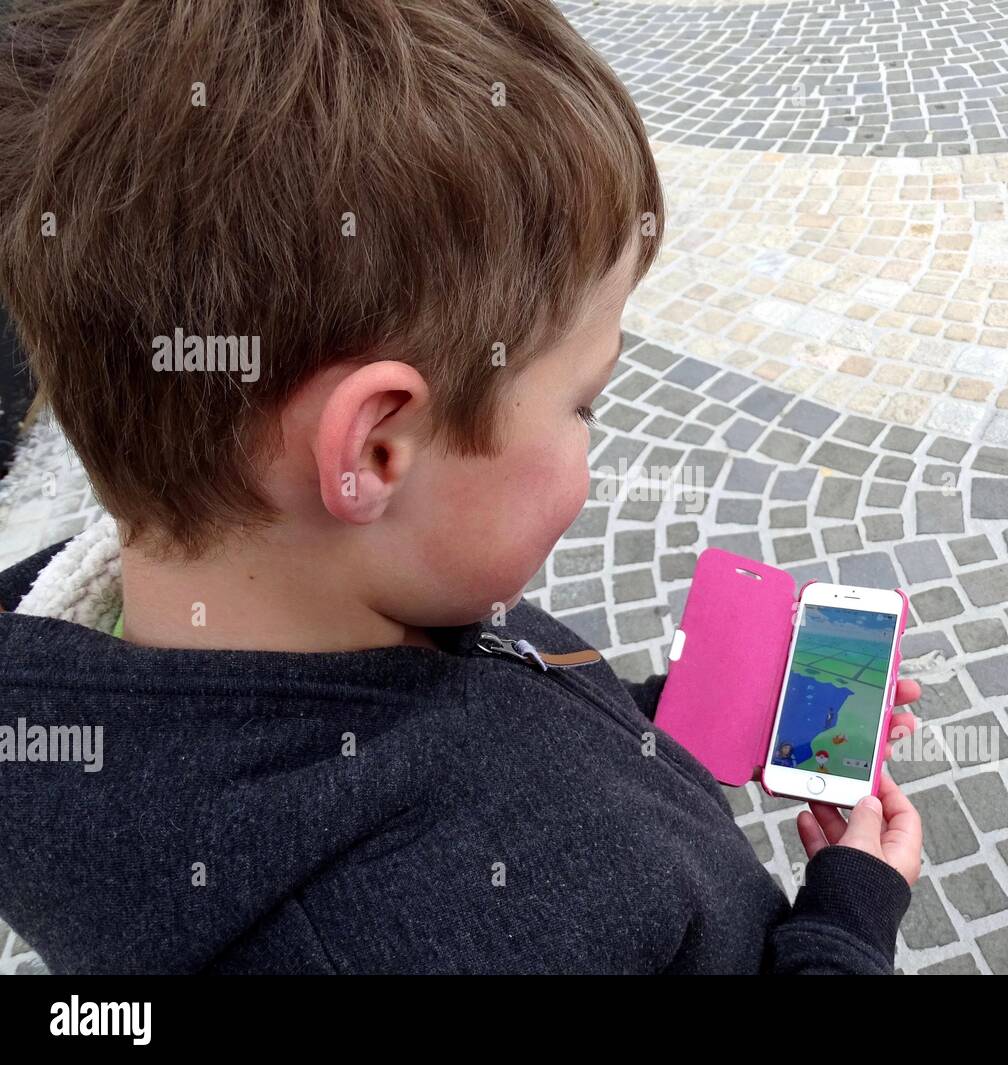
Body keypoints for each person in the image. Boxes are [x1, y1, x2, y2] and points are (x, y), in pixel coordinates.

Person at [0, 0, 922, 974]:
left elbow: (512, 717)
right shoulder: (448, 932)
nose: (590, 444)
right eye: (584, 403)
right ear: (377, 453)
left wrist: (690, 720)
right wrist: (845, 921)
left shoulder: (160, 655)